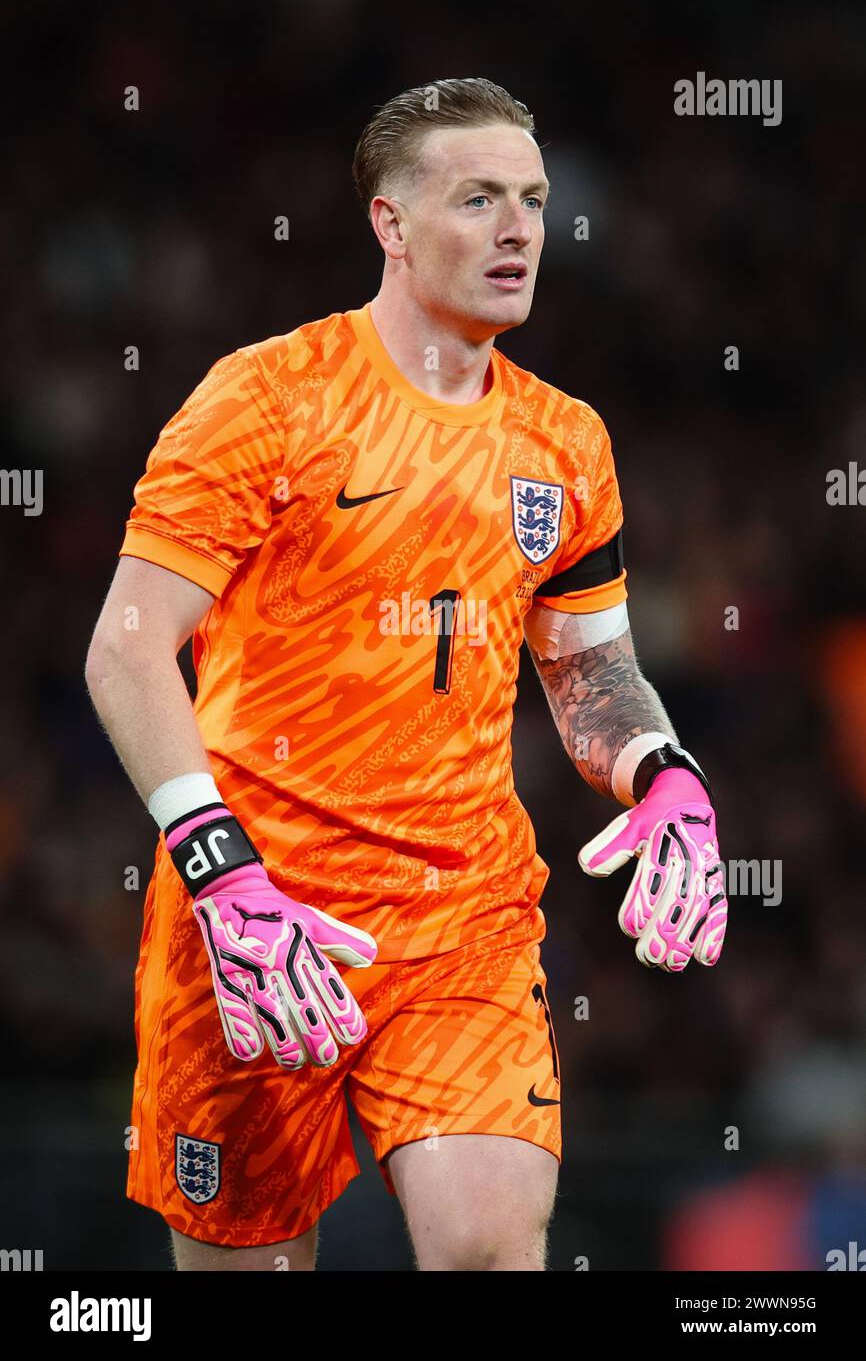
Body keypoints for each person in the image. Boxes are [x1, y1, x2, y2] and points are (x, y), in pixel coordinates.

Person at [85, 76, 727, 1272]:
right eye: (477, 198)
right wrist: (222, 875)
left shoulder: (564, 441)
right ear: (389, 223)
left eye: (530, 199)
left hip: (461, 916)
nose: (519, 229)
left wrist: (662, 772)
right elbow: (124, 651)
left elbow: (591, 679)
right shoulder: (266, 398)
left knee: (487, 1248)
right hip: (256, 916)